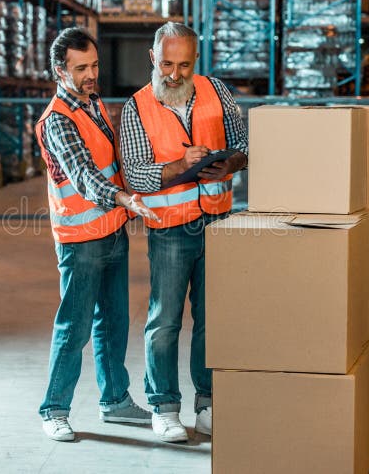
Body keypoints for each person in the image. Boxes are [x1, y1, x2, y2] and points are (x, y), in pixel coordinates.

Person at [119, 22, 249, 442]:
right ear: (152, 58)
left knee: (212, 321)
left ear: (197, 60)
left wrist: (229, 163)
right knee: (165, 321)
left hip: (217, 219)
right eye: (167, 63)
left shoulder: (217, 91)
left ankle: (207, 403)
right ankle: (164, 407)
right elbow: (136, 173)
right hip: (170, 230)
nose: (175, 73)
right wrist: (179, 166)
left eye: (185, 64)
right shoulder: (136, 107)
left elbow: (243, 145)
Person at [35, 27, 159, 442]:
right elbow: (86, 178)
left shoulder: (92, 103)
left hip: (112, 232)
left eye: (94, 65)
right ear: (59, 70)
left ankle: (115, 401)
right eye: (82, 68)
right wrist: (126, 198)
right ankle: (54, 409)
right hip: (81, 240)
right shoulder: (58, 119)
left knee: (114, 321)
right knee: (75, 326)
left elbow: (111, 160)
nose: (92, 74)